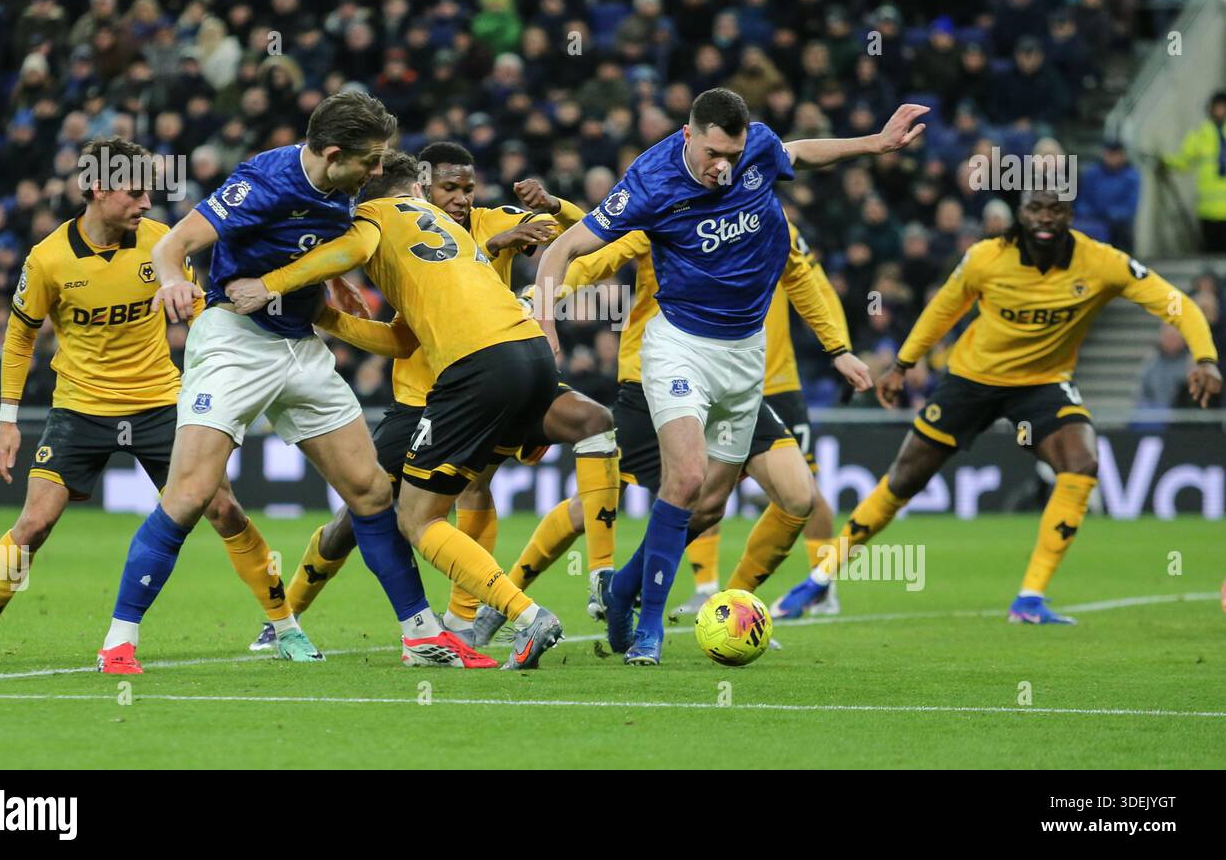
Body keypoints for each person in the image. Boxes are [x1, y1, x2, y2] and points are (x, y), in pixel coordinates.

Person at [96, 93, 492, 674]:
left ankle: (421, 635)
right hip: (235, 340)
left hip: (302, 345)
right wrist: (174, 283)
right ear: (333, 154)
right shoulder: (262, 181)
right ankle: (118, 641)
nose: (379, 172)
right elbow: (171, 245)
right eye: (370, 160)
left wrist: (334, 288)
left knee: (372, 493)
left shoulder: (347, 187)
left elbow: (319, 245)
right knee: (189, 494)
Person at [531, 88, 923, 664]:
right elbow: (566, 247)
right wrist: (546, 317)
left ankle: (623, 589)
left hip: (745, 355)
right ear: (688, 136)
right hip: (679, 347)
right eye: (714, 153)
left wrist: (876, 142)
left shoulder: (755, 150)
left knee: (710, 506)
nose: (724, 167)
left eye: (733, 156)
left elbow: (802, 151)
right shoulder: (651, 181)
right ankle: (650, 631)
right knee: (685, 479)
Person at [771, 186, 1221, 624]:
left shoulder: (1102, 262)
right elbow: (942, 310)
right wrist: (903, 364)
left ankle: (1029, 599)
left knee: (1081, 464)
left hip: (1042, 384)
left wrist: (1204, 358)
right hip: (971, 380)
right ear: (1019, 213)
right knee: (903, 479)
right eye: (1036, 208)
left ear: (1070, 216)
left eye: (1057, 209)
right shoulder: (986, 258)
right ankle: (819, 578)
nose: (1046, 217)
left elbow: (1177, 304)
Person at [248, 144, 620, 654]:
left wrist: (270, 286)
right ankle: (290, 615)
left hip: (470, 379)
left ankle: (496, 614)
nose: (462, 199)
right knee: (358, 519)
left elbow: (590, 237)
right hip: (470, 378)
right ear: (423, 186)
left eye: (468, 188)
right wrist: (330, 317)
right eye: (450, 188)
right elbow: (404, 339)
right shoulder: (441, 228)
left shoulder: (387, 221)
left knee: (421, 516)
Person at [0, 138, 292, 665]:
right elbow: (20, 337)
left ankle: (285, 625)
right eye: (135, 193)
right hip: (79, 408)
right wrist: (7, 419)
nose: (147, 204)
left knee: (223, 508)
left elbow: (204, 319)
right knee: (35, 524)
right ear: (99, 189)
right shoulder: (49, 259)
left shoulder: (165, 245)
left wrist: (217, 380)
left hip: (159, 403)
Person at [470, 212, 869, 649]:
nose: (726, 166)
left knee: (796, 496)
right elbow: (594, 257)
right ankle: (505, 598)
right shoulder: (670, 208)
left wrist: (838, 348)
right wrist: (539, 298)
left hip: (735, 381)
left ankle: (727, 608)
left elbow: (807, 283)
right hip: (655, 382)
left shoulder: (769, 220)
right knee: (599, 504)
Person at [1163, 90, 1226, 253]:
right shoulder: (1199, 135)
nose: (1220, 111)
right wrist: (1166, 161)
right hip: (1208, 207)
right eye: (1217, 107)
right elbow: (1183, 160)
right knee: (1212, 250)